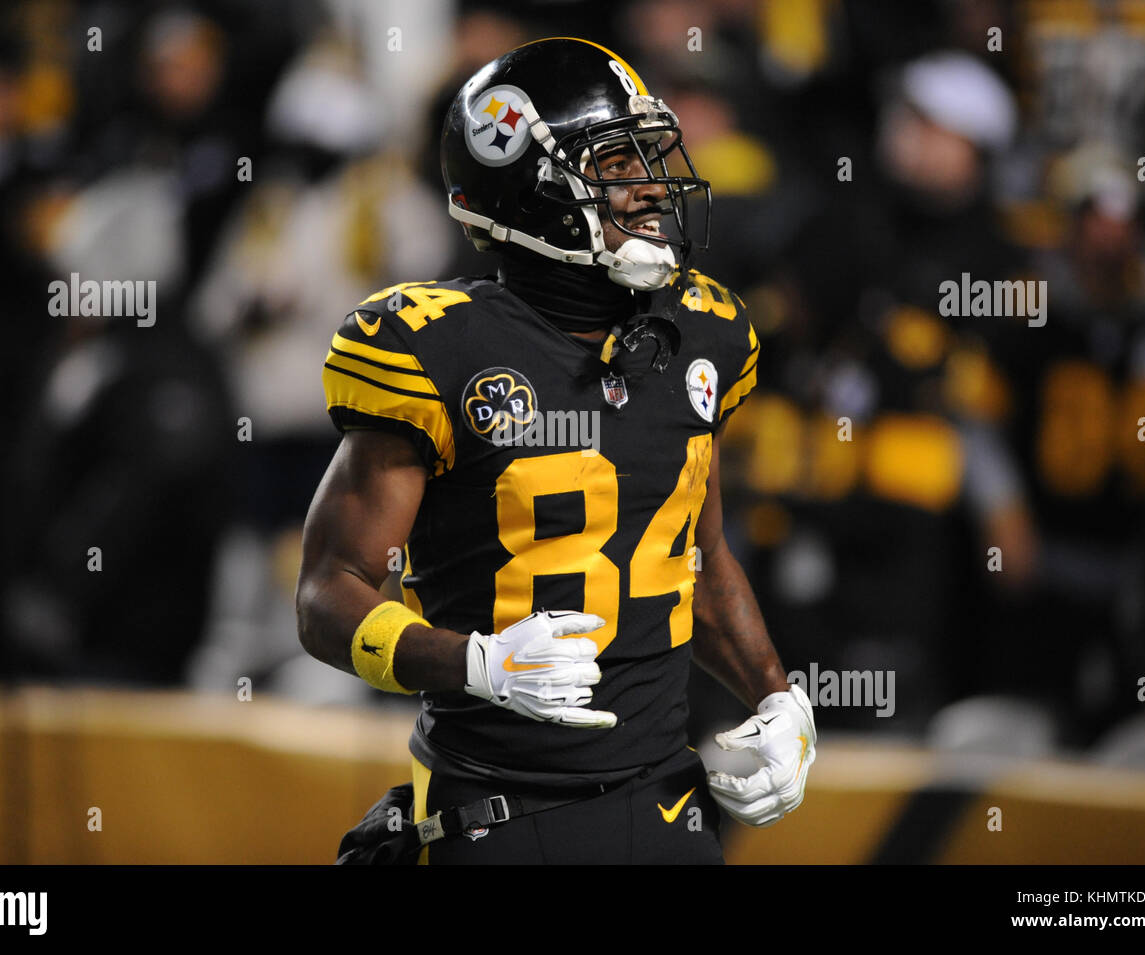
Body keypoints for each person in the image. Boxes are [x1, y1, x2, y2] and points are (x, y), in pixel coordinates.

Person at [296, 37, 814, 864]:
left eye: (649, 154)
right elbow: (329, 591)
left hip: (664, 805)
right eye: (614, 162)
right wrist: (475, 663)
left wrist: (777, 697)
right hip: (494, 811)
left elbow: (699, 552)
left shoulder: (702, 331)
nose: (649, 185)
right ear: (528, 191)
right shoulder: (434, 347)